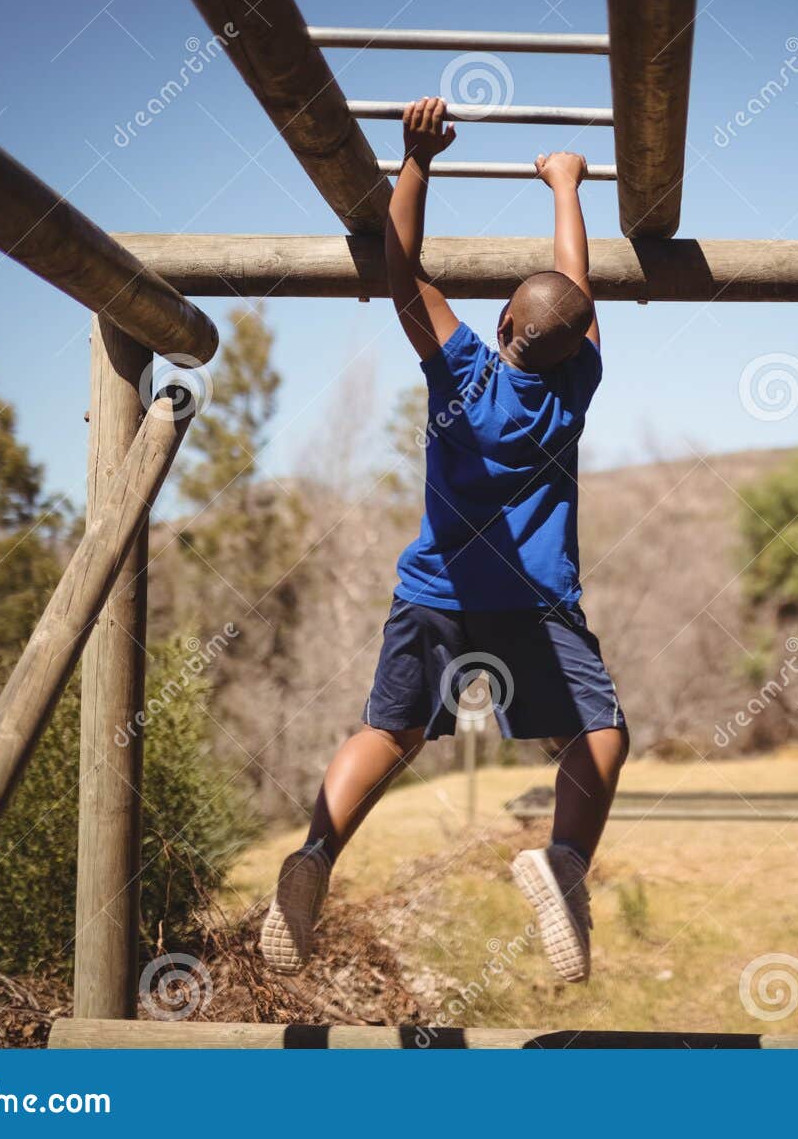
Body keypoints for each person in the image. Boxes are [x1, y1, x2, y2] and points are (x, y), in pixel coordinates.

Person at [260, 97, 629, 985]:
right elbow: (573, 294)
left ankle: (314, 851)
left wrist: (416, 160)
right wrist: (566, 185)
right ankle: (564, 862)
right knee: (599, 733)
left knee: (387, 731)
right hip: (536, 605)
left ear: (502, 324)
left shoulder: (460, 369)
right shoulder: (572, 392)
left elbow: (402, 269)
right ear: (577, 342)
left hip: (436, 593)